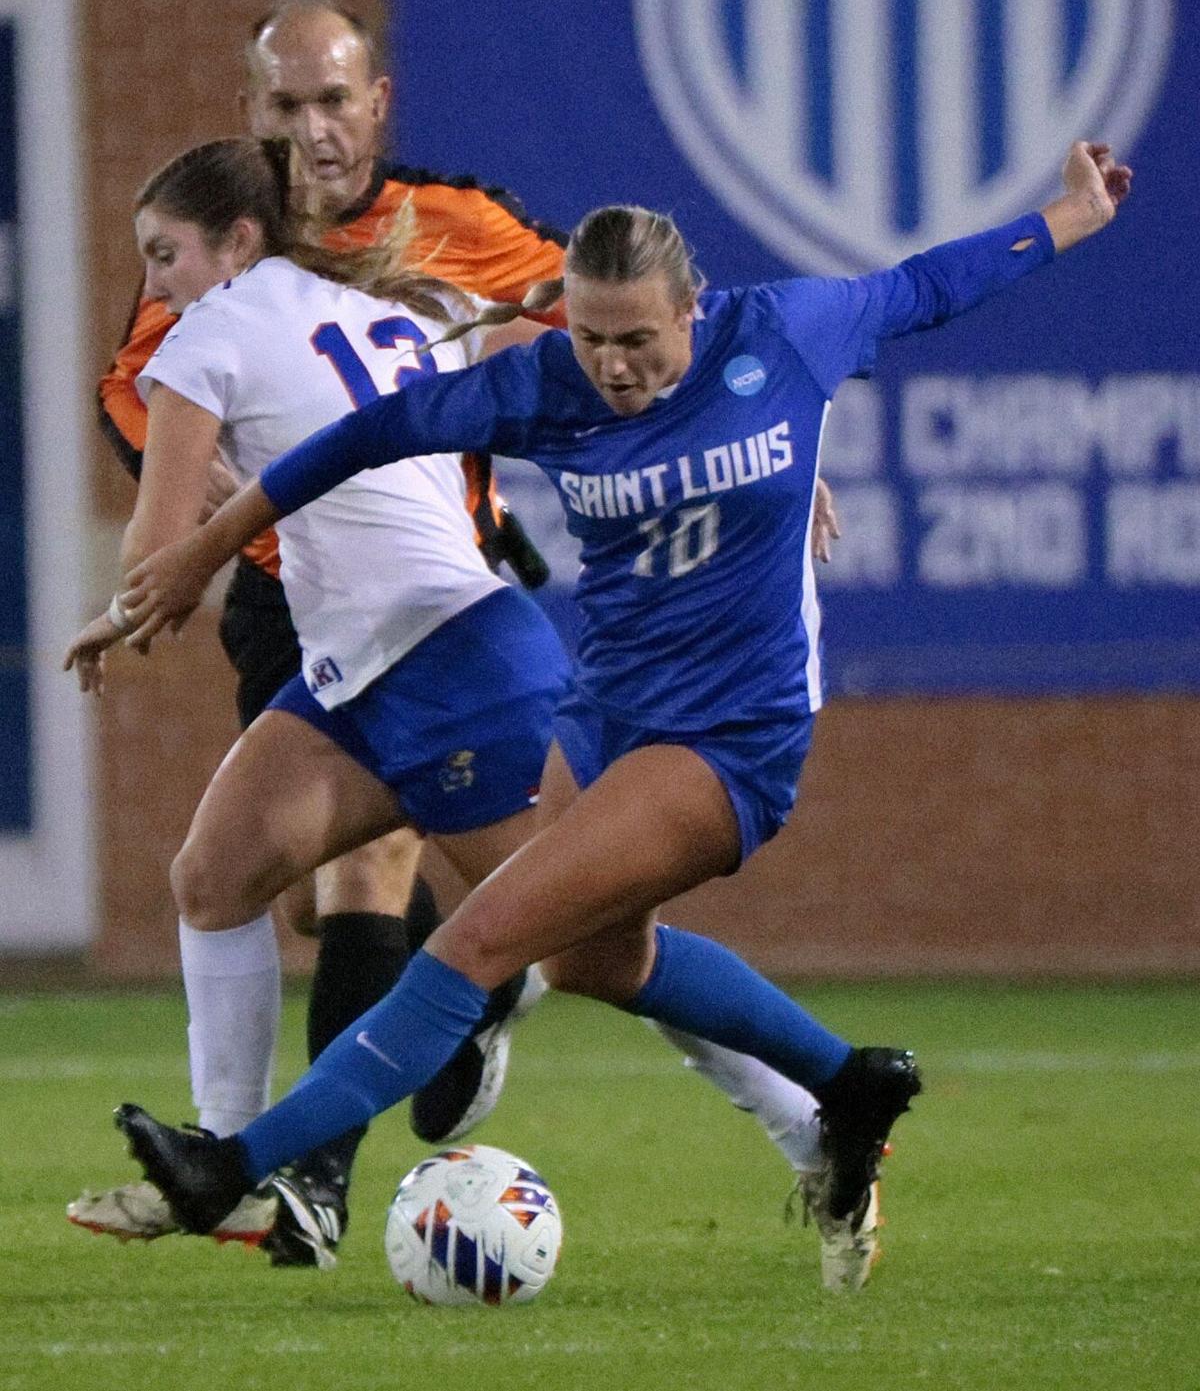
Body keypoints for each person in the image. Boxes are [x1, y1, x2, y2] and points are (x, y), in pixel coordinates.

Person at [103, 140, 1129, 1274]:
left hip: (730, 736)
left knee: (477, 936)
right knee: (595, 955)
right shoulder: (550, 384)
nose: (615, 364)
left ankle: (236, 1164)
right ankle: (847, 1084)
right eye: (591, 337)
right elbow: (365, 435)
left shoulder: (786, 334)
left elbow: (933, 284)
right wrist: (205, 545)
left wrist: (1073, 215)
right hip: (604, 714)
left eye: (639, 337)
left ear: (696, 307)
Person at [78, 0, 854, 1284]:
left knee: (582, 933)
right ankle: (238, 1160)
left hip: (441, 616)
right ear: (255, 126)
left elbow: (634, 330)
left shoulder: (441, 241)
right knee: (218, 872)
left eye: (335, 100)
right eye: (286, 106)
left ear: (376, 106)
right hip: (313, 614)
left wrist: (744, 432)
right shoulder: (240, 289)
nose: (315, 127)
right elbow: (146, 411)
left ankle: (811, 1117)